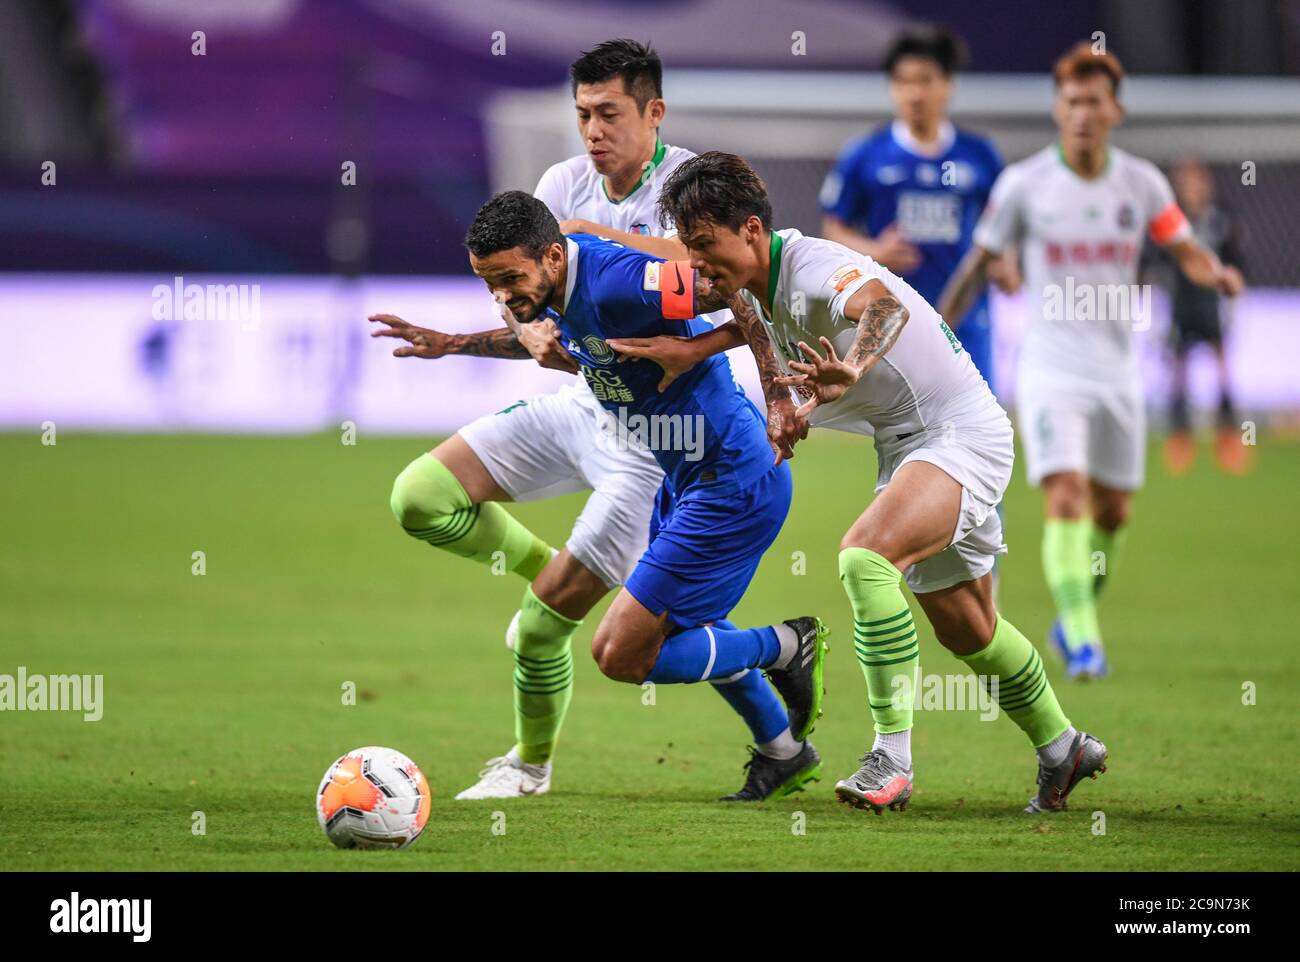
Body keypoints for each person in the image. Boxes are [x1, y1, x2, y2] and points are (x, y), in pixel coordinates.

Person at [612, 152, 1107, 814]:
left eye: (704, 245)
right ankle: (1063, 748)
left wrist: (853, 364)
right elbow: (754, 323)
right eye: (689, 247)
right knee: (971, 630)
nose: (696, 264)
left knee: (865, 558)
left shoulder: (815, 265)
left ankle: (890, 760)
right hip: (906, 446)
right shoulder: (751, 282)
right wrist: (756, 385)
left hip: (959, 433)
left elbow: (884, 306)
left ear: (752, 230)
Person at [372, 40, 803, 801]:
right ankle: (779, 737)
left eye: (608, 113)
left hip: (661, 440)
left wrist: (765, 385)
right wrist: (485, 336)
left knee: (578, 631)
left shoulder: (688, 186)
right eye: (582, 115)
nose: (593, 131)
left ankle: (529, 769)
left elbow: (737, 279)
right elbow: (532, 293)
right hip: (592, 397)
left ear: (653, 113)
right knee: (420, 497)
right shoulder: (559, 185)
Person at [939, 44, 1244, 679]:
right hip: (1050, 367)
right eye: (1072, 101)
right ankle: (1083, 640)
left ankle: (1073, 614)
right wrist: (938, 327)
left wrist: (1216, 275)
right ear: (1059, 108)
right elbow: (979, 262)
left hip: (1117, 370)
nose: (1082, 113)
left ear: (1114, 112)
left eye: (1093, 102)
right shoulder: (1024, 185)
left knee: (1113, 512)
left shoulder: (1142, 182)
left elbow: (1184, 248)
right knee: (1067, 494)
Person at [1161, 157, 1248, 476]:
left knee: (1222, 366)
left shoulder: (1219, 217)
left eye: (1196, 180)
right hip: (1181, 303)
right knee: (1178, 370)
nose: (1192, 187)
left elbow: (1236, 257)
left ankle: (1228, 437)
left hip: (1211, 303)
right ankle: (1180, 438)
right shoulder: (1173, 222)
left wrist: (1234, 284)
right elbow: (1159, 260)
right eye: (1186, 181)